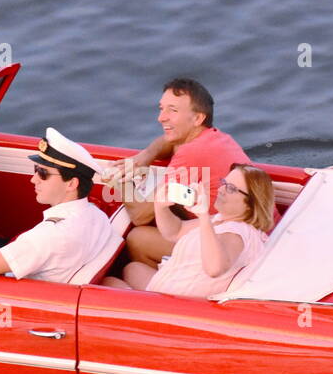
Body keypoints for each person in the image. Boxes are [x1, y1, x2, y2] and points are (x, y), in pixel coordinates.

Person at [105, 78, 254, 269]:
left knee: (137, 238)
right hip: (251, 231)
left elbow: (140, 216)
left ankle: (160, 284)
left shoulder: (191, 153)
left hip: (231, 248)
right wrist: (144, 156)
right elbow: (169, 142)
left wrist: (119, 179)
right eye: (161, 108)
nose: (161, 117)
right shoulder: (213, 138)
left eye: (172, 110)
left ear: (198, 118)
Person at [0, 128, 115, 283]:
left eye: (43, 173)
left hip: (18, 295)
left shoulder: (48, 236)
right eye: (36, 170)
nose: (33, 180)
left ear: (71, 184)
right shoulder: (97, 216)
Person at [103, 163, 274, 298]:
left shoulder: (236, 234)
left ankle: (135, 304)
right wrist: (160, 207)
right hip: (170, 287)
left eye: (231, 188)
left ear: (251, 203)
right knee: (132, 268)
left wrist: (203, 216)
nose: (221, 189)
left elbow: (215, 268)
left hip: (172, 304)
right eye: (224, 182)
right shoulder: (223, 220)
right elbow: (175, 232)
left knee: (106, 282)